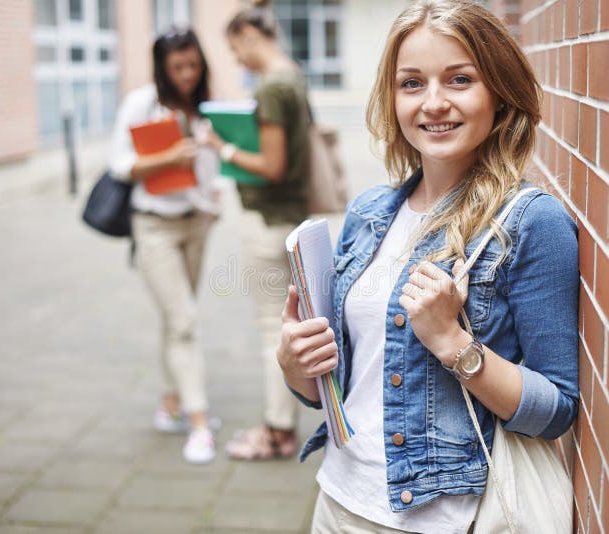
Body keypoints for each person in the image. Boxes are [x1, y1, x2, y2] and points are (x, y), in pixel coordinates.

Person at [276, 1, 579, 532]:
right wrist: (296, 368)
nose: (433, 103)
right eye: (412, 83)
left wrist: (453, 344)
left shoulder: (532, 223)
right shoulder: (369, 212)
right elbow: (345, 385)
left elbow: (555, 409)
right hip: (337, 499)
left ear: (499, 93)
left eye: (459, 79)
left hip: (441, 518)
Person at [204, 0, 310, 460]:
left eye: (236, 48)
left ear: (250, 34)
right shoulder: (294, 75)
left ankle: (277, 431)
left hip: (268, 222)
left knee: (275, 331)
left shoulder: (272, 87)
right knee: (290, 325)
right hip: (293, 219)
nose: (237, 59)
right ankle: (281, 425)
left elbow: (271, 165)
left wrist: (221, 147)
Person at [110, 28, 220, 464]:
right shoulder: (141, 103)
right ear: (162, 67)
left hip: (196, 224)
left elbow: (213, 165)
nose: (187, 74)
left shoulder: (202, 105)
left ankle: (170, 403)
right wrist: (168, 159)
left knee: (177, 321)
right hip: (154, 225)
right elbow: (119, 164)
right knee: (185, 320)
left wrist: (215, 200)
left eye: (193, 64)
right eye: (177, 67)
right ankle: (198, 422)